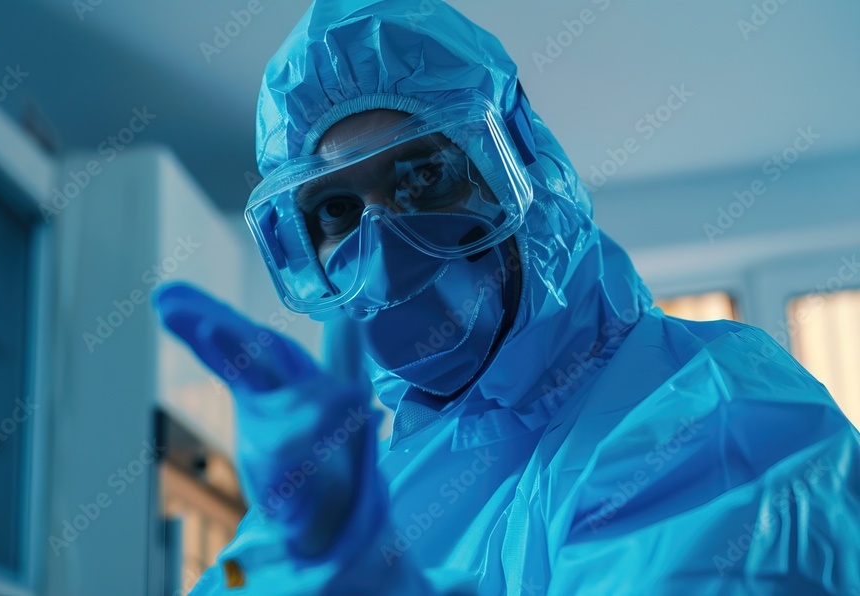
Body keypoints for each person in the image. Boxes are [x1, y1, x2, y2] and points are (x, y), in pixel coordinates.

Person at [154, 0, 860, 593]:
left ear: (521, 174)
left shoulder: (711, 414)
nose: (386, 241)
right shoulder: (355, 488)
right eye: (336, 209)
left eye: (423, 176)